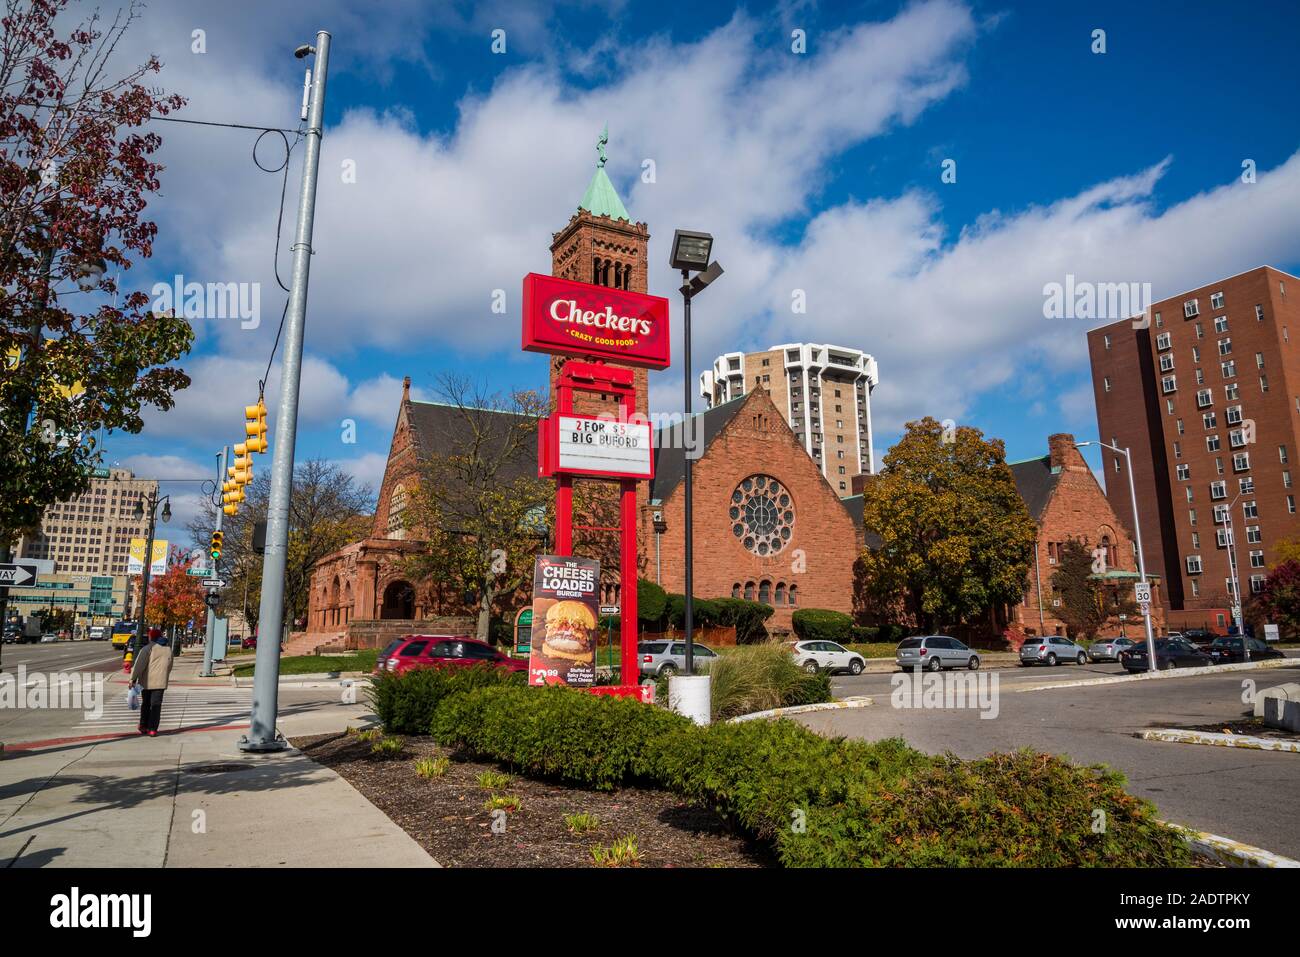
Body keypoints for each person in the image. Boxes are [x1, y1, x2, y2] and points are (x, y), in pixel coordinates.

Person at [130, 627, 174, 736]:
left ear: (151, 637)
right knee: (156, 705)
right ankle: (153, 729)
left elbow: (139, 666)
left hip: (147, 682)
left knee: (146, 704)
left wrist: (133, 678)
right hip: (161, 682)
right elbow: (170, 666)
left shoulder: (147, 648)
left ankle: (143, 725)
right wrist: (164, 675)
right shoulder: (168, 649)